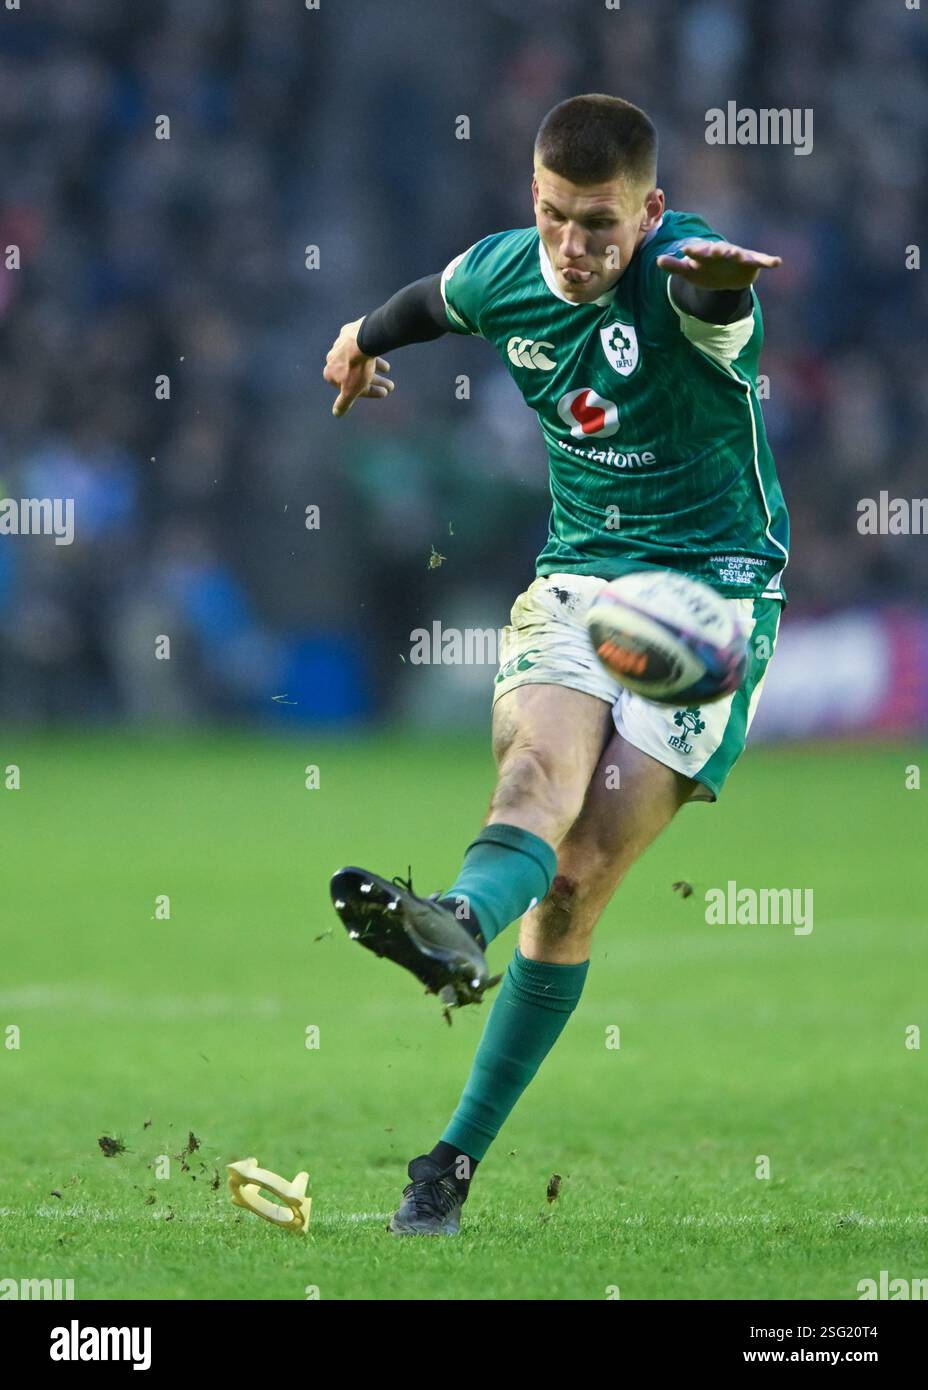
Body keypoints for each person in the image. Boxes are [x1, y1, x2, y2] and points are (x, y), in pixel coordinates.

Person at [322, 94, 789, 1235]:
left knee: (578, 878)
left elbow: (706, 300)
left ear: (649, 212)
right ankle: (454, 925)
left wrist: (717, 280)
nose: (572, 249)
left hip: (709, 602)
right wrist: (356, 341)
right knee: (535, 775)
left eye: (596, 224)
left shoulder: (684, 272)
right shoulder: (508, 272)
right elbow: (432, 302)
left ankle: (452, 1155)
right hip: (580, 577)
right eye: (550, 219)